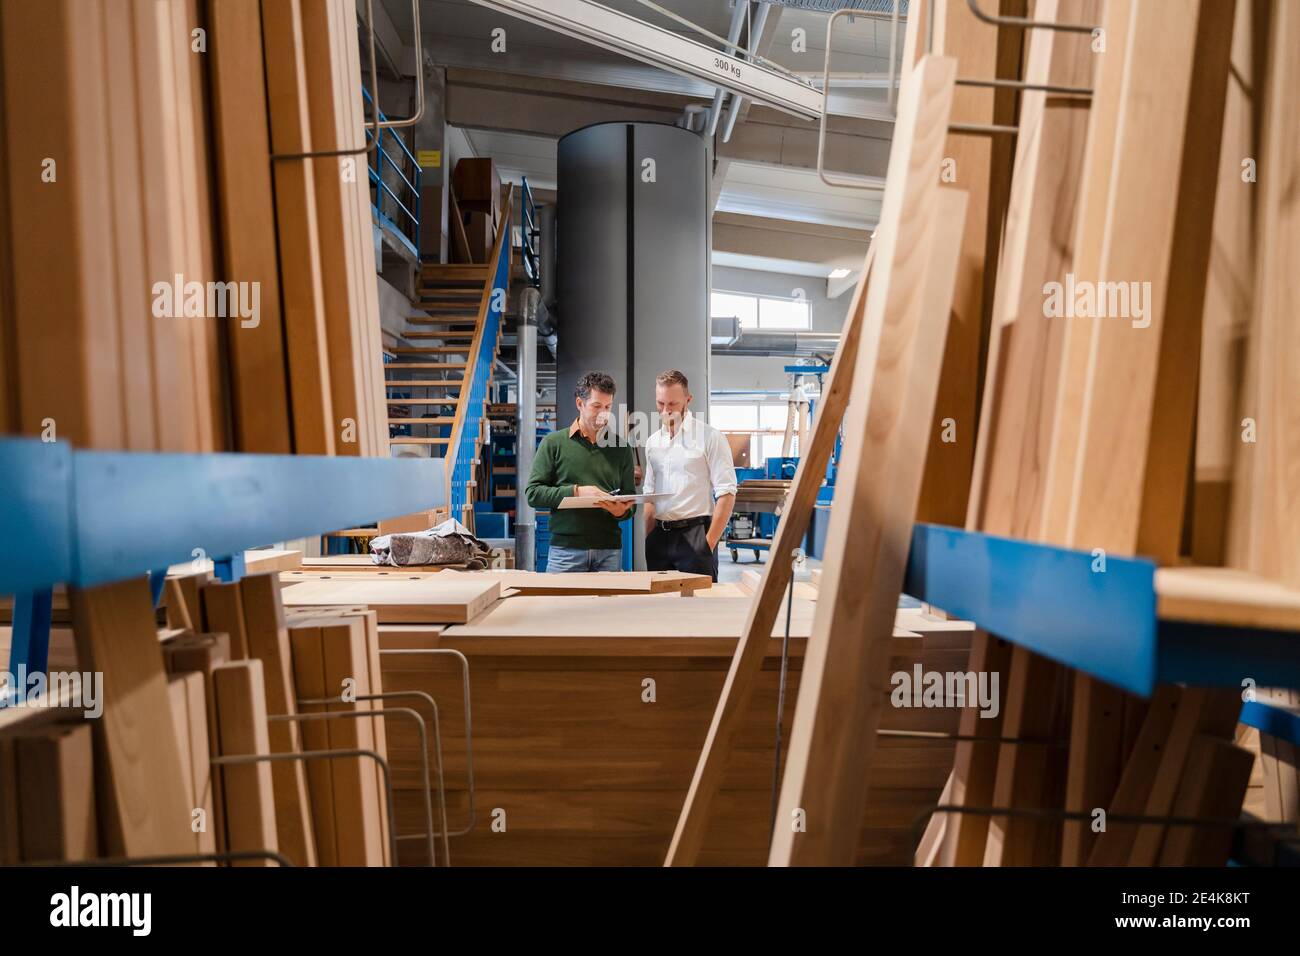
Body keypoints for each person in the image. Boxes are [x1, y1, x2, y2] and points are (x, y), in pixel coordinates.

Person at [525, 371, 636, 572]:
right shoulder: (554, 443)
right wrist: (576, 491)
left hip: (609, 552)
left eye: (608, 407)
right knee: (561, 605)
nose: (603, 413)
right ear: (579, 404)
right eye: (596, 406)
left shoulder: (622, 448)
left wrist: (622, 510)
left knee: (608, 605)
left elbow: (631, 501)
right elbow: (533, 494)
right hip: (565, 552)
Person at [642, 369, 737, 581]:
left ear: (688, 399)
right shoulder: (653, 442)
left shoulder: (710, 438)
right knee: (658, 608)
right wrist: (649, 538)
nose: (666, 410)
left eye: (673, 404)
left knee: (699, 609)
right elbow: (649, 494)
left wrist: (707, 545)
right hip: (659, 537)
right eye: (660, 403)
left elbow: (727, 493)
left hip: (695, 535)